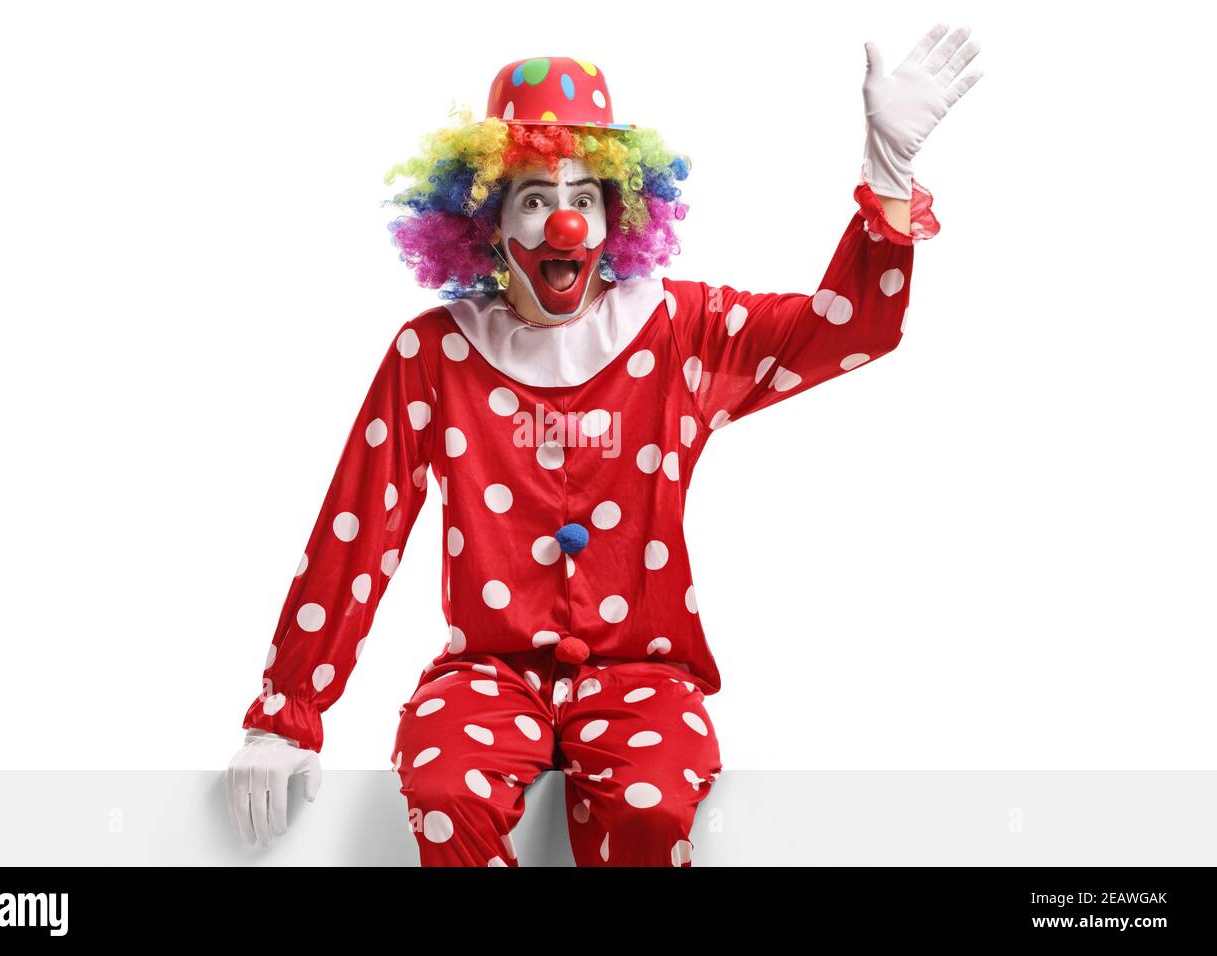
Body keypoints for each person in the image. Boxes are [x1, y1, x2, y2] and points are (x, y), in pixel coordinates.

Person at [227, 28, 983, 866]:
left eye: (585, 198)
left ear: (618, 215)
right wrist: (284, 712)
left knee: (653, 813)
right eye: (533, 199)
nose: (563, 220)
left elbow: (850, 329)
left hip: (646, 679)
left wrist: (887, 173)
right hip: (486, 677)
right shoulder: (432, 354)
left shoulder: (678, 329)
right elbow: (356, 532)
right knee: (443, 794)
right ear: (484, 222)